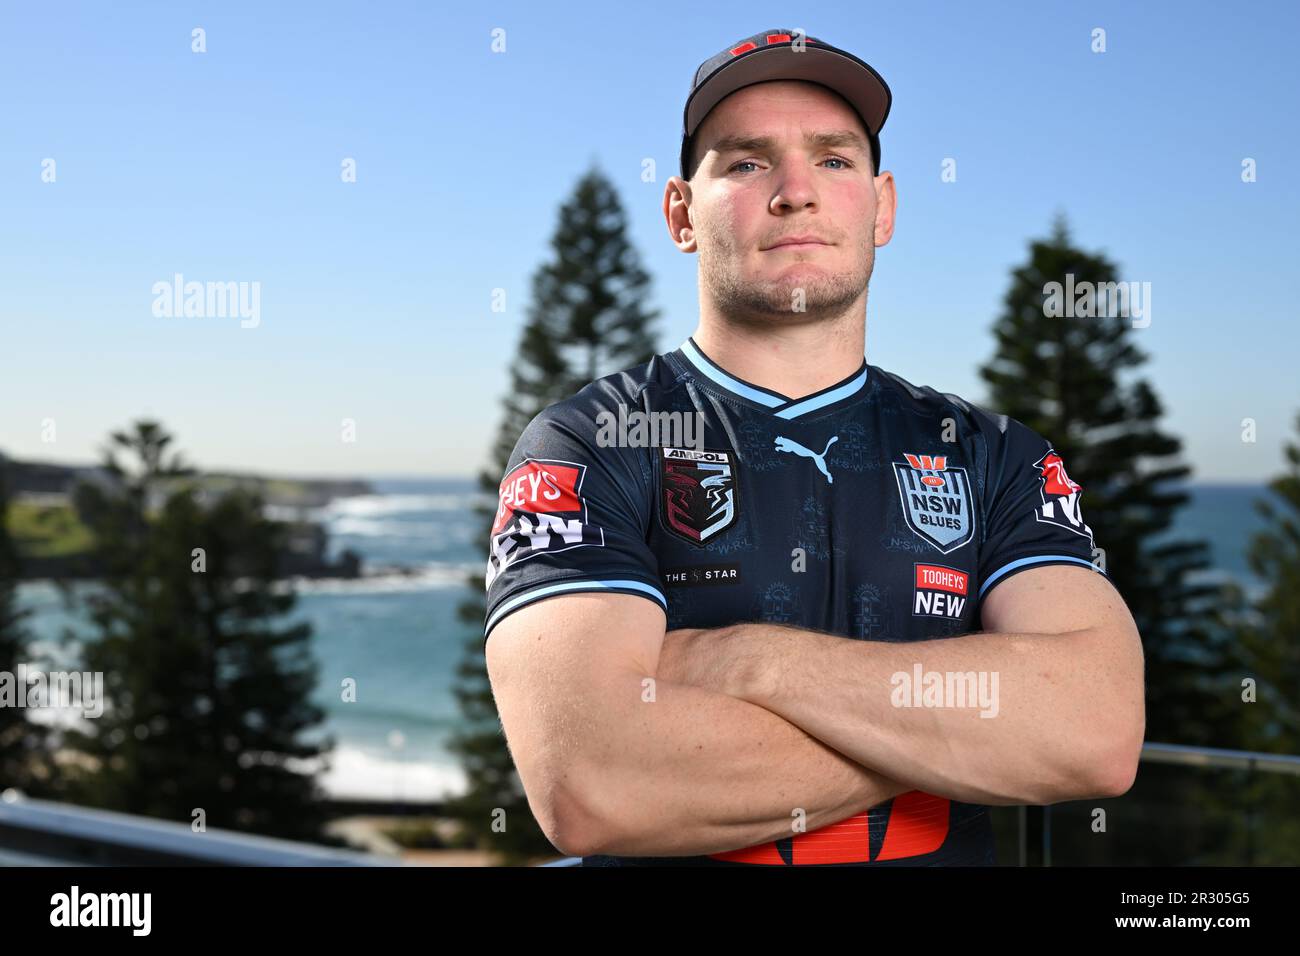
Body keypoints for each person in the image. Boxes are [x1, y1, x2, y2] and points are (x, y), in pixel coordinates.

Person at [482, 28, 1145, 866]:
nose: (796, 191)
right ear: (682, 214)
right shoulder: (590, 444)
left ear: (884, 206)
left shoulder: (993, 455)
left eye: (834, 160)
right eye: (748, 162)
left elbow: (1095, 731)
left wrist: (743, 661)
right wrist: (962, 733)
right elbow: (595, 785)